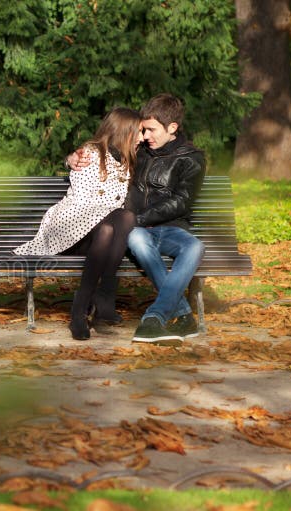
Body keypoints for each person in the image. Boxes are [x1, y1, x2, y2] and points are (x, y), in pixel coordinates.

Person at [71, 94, 206, 345]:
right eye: (143, 129)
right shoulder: (139, 150)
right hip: (136, 230)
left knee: (196, 247)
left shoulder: (191, 158)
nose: (145, 136)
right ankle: (171, 317)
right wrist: (72, 157)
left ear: (172, 128)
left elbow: (181, 201)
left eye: (151, 130)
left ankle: (163, 316)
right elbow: (103, 147)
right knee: (139, 242)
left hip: (169, 228)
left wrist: (139, 218)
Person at [14, 107, 142, 340]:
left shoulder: (126, 159)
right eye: (138, 132)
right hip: (70, 226)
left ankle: (96, 300)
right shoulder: (89, 155)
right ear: (124, 132)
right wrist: (70, 159)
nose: (142, 138)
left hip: (100, 231)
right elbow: (83, 204)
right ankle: (87, 306)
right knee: (108, 228)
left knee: (123, 220)